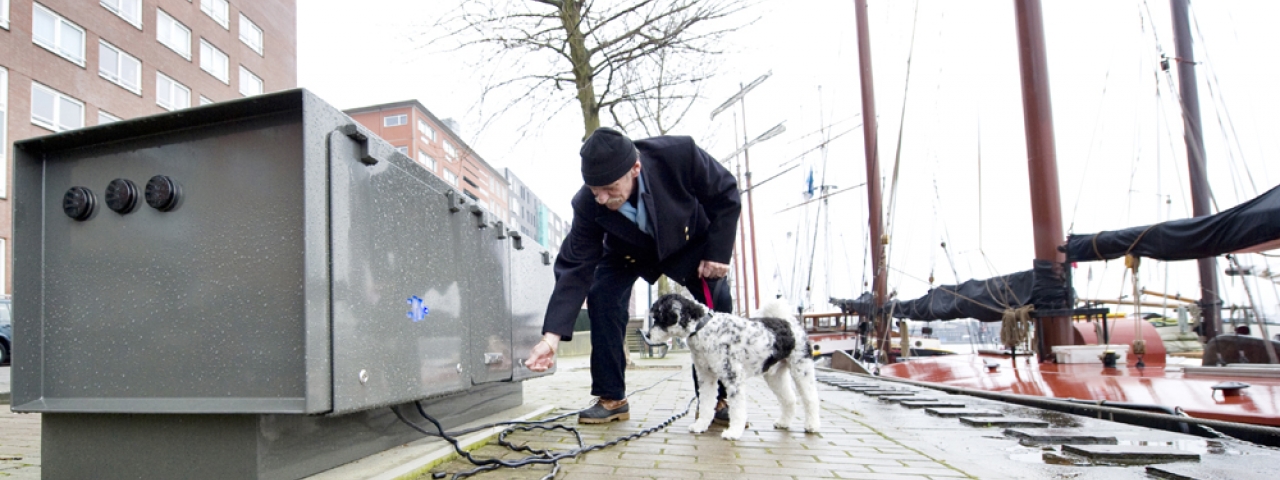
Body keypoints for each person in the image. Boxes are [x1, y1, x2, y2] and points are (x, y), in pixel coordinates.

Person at [525, 127, 741, 423]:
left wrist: (718, 252)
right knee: (602, 297)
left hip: (687, 240)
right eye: (594, 190)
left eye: (610, 188)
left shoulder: (678, 155)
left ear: (635, 168)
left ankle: (718, 400)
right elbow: (575, 267)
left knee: (718, 300)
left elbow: (725, 192)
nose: (601, 198)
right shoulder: (587, 204)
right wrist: (550, 339)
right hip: (625, 251)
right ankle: (612, 397)